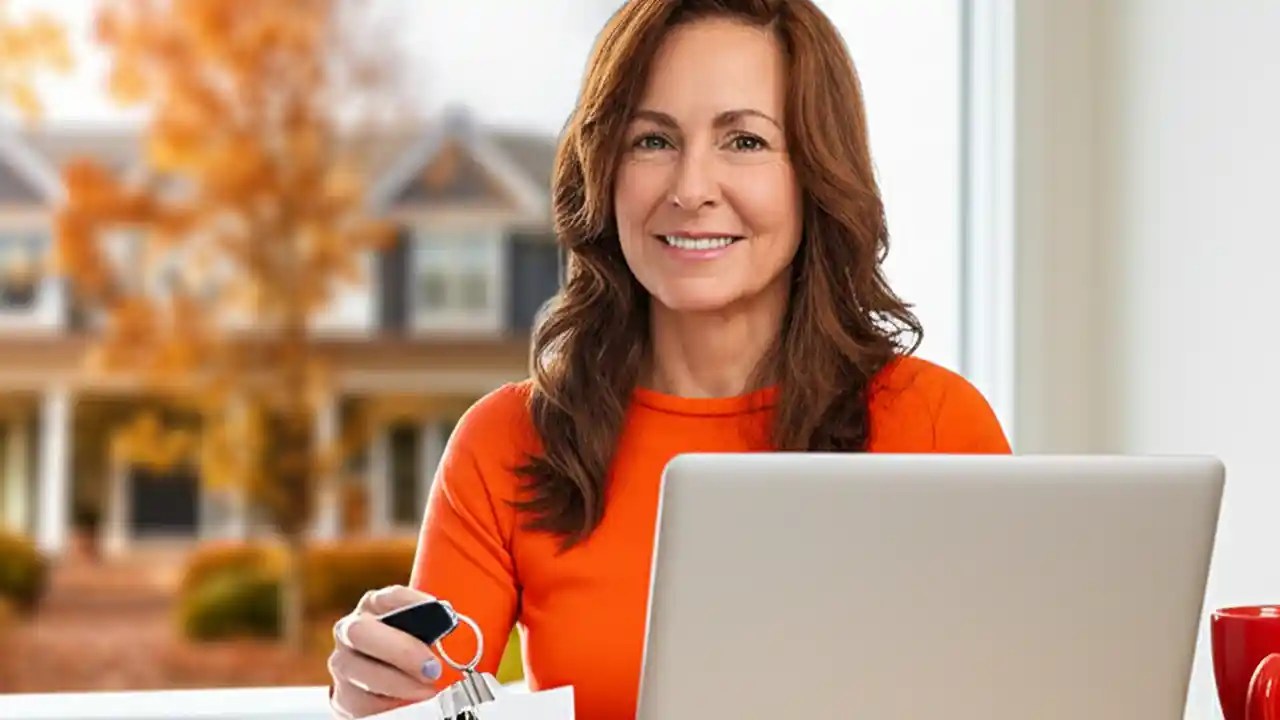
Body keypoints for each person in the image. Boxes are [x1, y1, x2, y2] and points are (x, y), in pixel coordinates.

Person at [327, 0, 1011, 717]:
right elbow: (428, 705)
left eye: (744, 141)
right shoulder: (506, 445)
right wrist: (375, 693)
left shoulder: (935, 427)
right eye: (652, 141)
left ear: (813, 173)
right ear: (605, 172)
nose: (690, 189)